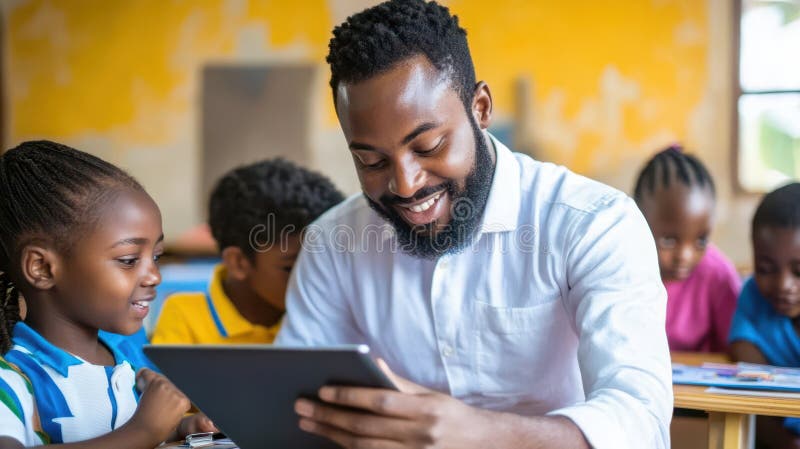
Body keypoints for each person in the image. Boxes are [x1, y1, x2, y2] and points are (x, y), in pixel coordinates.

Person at [275, 1, 672, 448]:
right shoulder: (332, 242)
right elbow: (291, 403)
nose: (405, 184)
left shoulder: (594, 225)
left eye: (428, 146)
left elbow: (641, 423)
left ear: (480, 108)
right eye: (372, 161)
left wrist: (477, 434)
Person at [0, 141, 214, 448]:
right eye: (129, 260)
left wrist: (178, 428)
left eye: (156, 256)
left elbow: (110, 432)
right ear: (42, 268)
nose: (154, 276)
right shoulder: (15, 378)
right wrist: (143, 432)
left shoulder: (126, 364)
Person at [151, 159, 344, 345]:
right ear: (238, 262)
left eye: (321, 264)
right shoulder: (184, 318)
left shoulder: (324, 316)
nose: (314, 280)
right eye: (291, 268)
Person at [633, 145, 740, 352]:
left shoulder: (718, 276)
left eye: (701, 240)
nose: (685, 256)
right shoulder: (623, 268)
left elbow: (734, 351)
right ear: (637, 219)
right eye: (669, 240)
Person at [729, 182, 800, 449]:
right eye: (766, 269)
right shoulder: (752, 294)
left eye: (799, 271)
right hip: (774, 424)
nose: (783, 285)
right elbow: (742, 348)